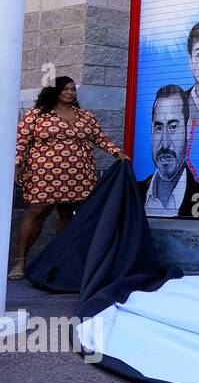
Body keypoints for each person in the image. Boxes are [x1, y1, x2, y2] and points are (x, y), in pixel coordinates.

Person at [9, 77, 129, 280]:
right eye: (65, 89)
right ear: (55, 91)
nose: (70, 92)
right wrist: (16, 165)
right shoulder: (36, 115)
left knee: (68, 215)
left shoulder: (85, 116)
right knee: (37, 211)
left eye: (73, 89)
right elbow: (20, 141)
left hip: (79, 173)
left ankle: (60, 259)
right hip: (44, 173)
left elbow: (100, 138)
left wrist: (117, 153)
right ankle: (20, 262)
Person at [139, 84, 199, 219]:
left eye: (173, 127)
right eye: (159, 128)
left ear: (188, 130)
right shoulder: (133, 195)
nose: (165, 143)